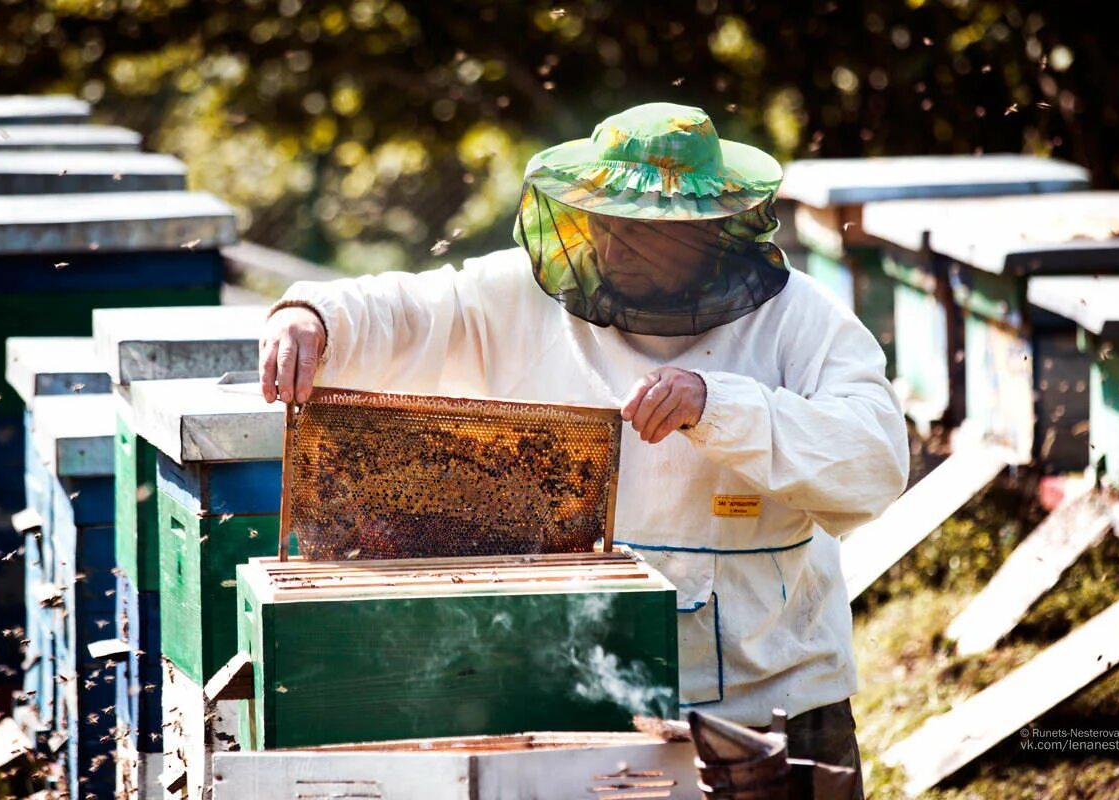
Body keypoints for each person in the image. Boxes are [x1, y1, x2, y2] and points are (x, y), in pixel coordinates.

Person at [260, 102, 909, 797]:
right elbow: (413, 310)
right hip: (579, 690)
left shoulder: (801, 319)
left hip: (772, 702)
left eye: (640, 229)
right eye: (604, 220)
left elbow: (874, 464)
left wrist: (719, 406)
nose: (611, 246)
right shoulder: (522, 296)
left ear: (709, 230)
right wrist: (313, 316)